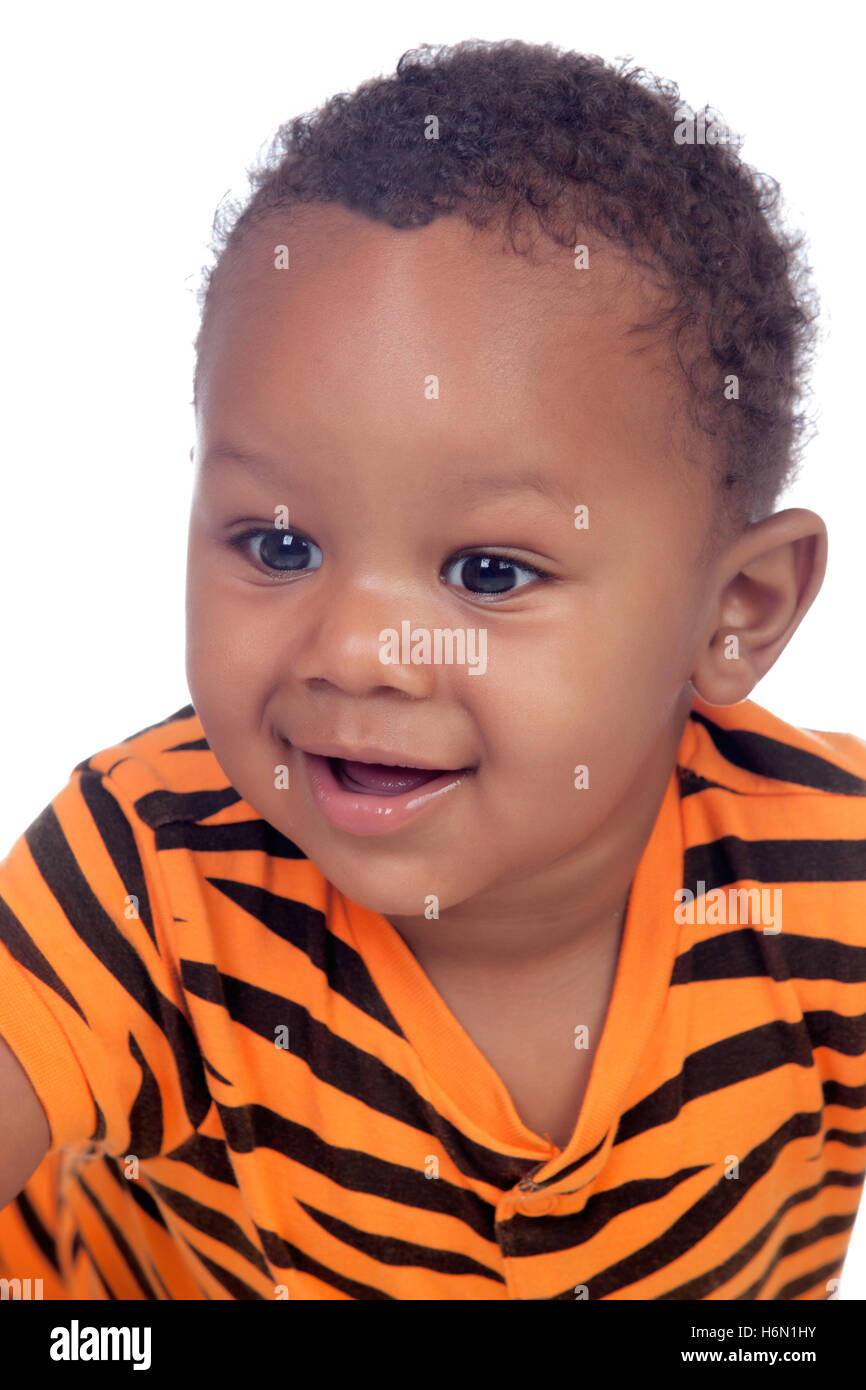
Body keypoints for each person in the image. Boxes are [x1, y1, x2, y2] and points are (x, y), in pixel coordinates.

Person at [1, 38, 864, 1301]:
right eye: (278, 543)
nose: (357, 651)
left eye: (488, 574)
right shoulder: (156, 871)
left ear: (733, 609)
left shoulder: (828, 878)